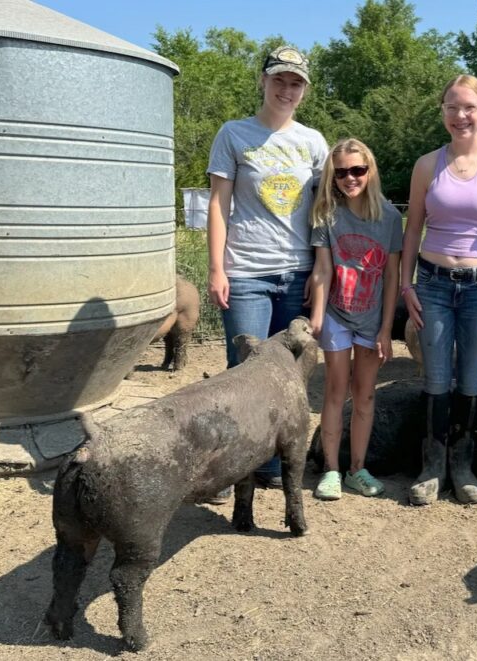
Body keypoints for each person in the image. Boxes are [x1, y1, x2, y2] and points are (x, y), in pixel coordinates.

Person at [205, 45, 329, 499]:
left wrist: (319, 271)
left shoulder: (314, 143)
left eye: (295, 83)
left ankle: (272, 462)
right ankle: (228, 468)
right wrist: (217, 268)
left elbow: (323, 211)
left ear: (304, 91)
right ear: (263, 81)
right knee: (240, 372)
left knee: (286, 376)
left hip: (296, 272)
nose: (286, 89)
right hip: (247, 273)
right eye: (279, 79)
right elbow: (219, 204)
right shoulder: (234, 134)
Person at [400, 74, 477, 506]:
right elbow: (412, 228)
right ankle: (431, 465)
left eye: (469, 107)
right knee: (435, 376)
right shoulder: (427, 165)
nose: (460, 115)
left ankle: (463, 463)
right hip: (431, 285)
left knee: (470, 377)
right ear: (443, 112)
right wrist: (405, 285)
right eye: (452, 107)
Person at [308, 139, 402, 500]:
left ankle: (357, 469)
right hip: (336, 314)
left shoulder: (390, 218)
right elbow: (322, 269)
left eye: (357, 170)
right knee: (335, 391)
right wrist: (317, 317)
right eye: (342, 172)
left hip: (372, 319)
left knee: (364, 396)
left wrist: (385, 329)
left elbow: (392, 276)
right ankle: (330, 470)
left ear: (370, 171)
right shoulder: (326, 216)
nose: (350, 178)